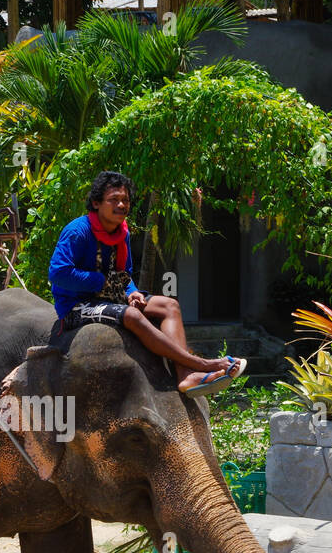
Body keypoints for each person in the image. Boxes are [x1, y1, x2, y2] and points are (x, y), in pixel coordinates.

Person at [48, 170, 245, 397]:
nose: (121, 205)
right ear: (96, 203)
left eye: (126, 200)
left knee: (169, 305)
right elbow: (58, 273)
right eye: (114, 200)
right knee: (132, 316)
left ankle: (185, 376)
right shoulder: (77, 231)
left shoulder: (122, 233)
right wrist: (100, 282)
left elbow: (125, 273)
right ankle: (200, 363)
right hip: (77, 306)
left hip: (111, 297)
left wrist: (131, 292)